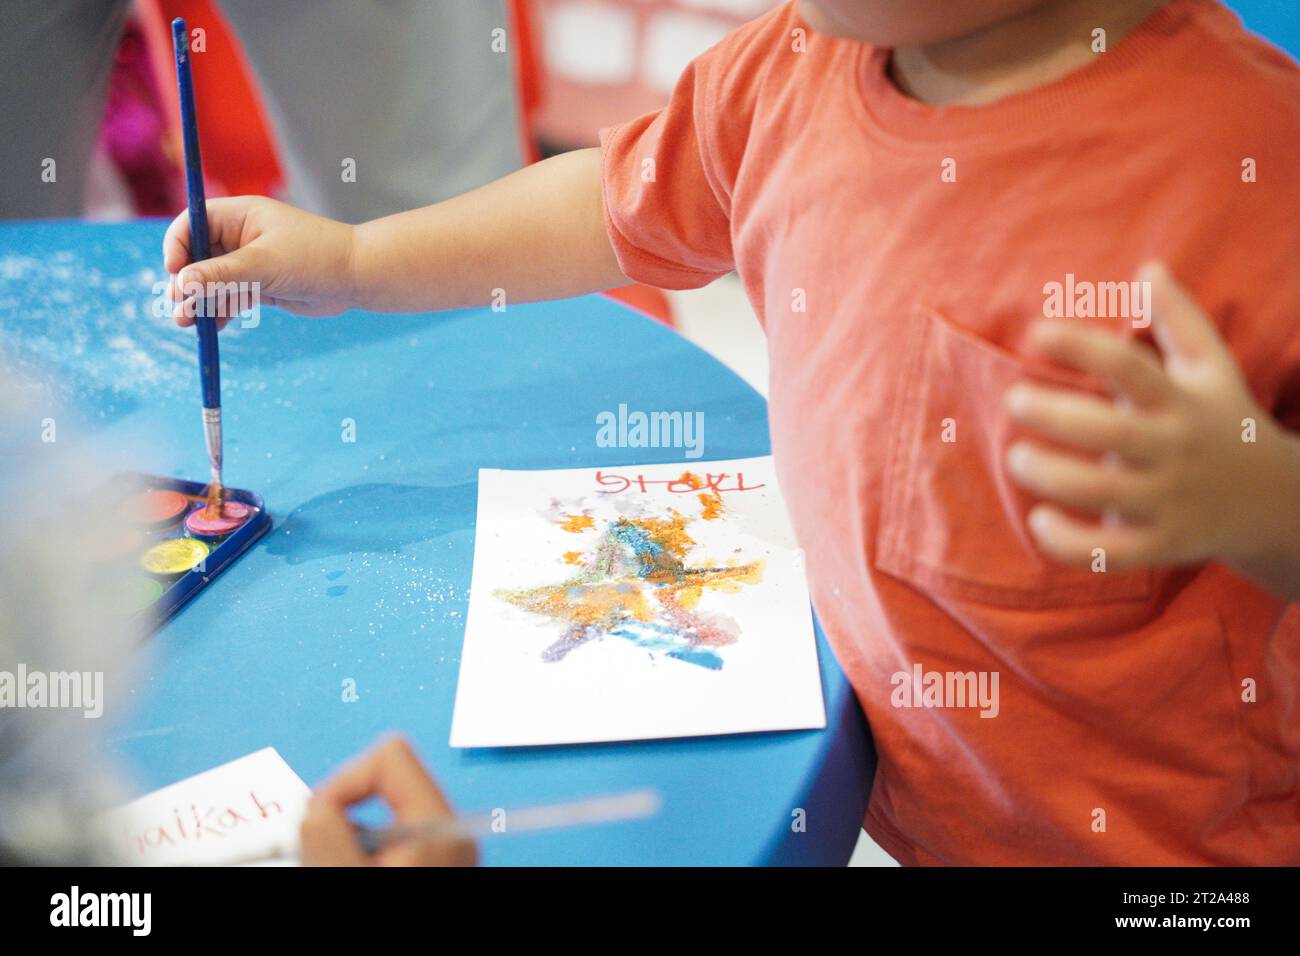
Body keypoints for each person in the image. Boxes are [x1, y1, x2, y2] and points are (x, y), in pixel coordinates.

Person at [161, 0, 1300, 865]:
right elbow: (612, 203)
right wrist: (356, 262)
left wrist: (1260, 499)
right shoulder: (797, 63)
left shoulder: (1253, 156)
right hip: (912, 816)